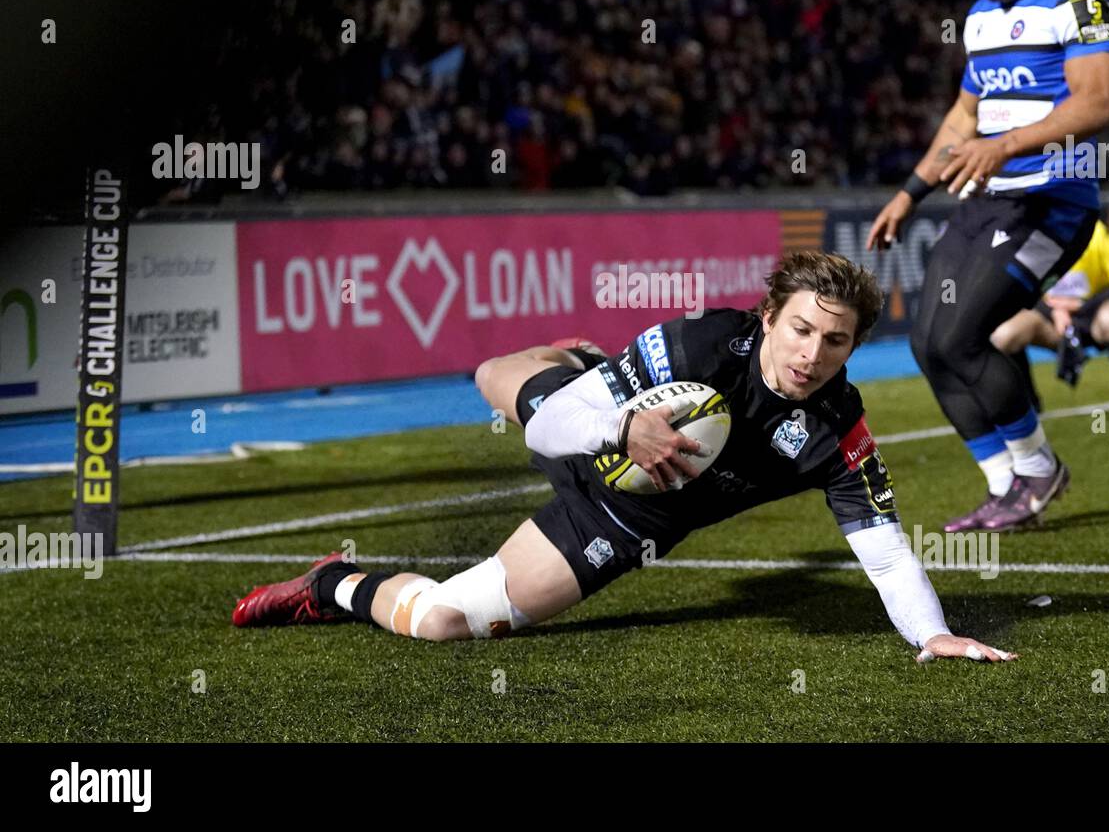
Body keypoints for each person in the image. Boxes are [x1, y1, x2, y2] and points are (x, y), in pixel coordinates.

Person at [232, 252, 1016, 664]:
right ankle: (556, 360)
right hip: (590, 424)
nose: (812, 353)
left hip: (626, 510)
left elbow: (882, 547)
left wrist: (930, 632)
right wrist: (619, 428)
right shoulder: (704, 340)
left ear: (853, 346)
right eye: (801, 328)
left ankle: (328, 581)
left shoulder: (836, 428)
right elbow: (549, 435)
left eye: (835, 340)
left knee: (443, 620)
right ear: (770, 314)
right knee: (499, 385)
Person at [866, 0, 1109, 533]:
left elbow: (1098, 103)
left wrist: (1003, 145)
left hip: (1051, 203)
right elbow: (964, 117)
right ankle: (1005, 486)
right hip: (987, 201)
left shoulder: (1080, 1)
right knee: (928, 344)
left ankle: (1040, 471)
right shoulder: (982, 16)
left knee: (963, 336)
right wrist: (909, 192)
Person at [991, 219, 1109, 418]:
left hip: (1094, 319)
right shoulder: (1031, 236)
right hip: (1051, 322)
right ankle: (1030, 404)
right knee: (1004, 334)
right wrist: (1054, 309)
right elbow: (1016, 287)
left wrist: (1080, 306)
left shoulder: (1096, 232)